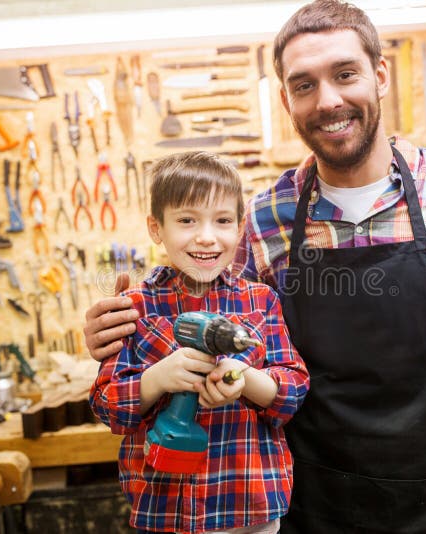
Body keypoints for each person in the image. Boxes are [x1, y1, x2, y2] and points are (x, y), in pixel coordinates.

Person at [85, 1, 426, 532]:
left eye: (345, 74)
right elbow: (201, 315)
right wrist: (117, 326)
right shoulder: (264, 219)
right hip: (307, 509)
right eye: (304, 85)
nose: (328, 101)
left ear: (380, 76)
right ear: (286, 100)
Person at [89, 151, 309, 534]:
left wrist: (244, 378)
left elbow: (291, 392)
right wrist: (159, 378)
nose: (206, 236)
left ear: (240, 228)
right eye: (187, 220)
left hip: (249, 505)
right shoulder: (133, 308)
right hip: (166, 509)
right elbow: (109, 406)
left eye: (222, 221)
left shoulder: (261, 301)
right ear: (156, 228)